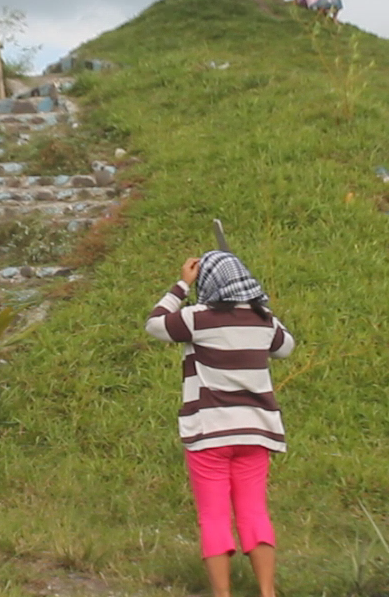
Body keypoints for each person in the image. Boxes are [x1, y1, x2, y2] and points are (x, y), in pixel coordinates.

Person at [145, 251, 295, 597]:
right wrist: (262, 305)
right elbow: (285, 347)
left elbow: (155, 324)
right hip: (257, 432)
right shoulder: (264, 321)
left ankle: (222, 595)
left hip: (209, 433)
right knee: (254, 512)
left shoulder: (198, 317)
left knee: (214, 517)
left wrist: (182, 284)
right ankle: (267, 592)